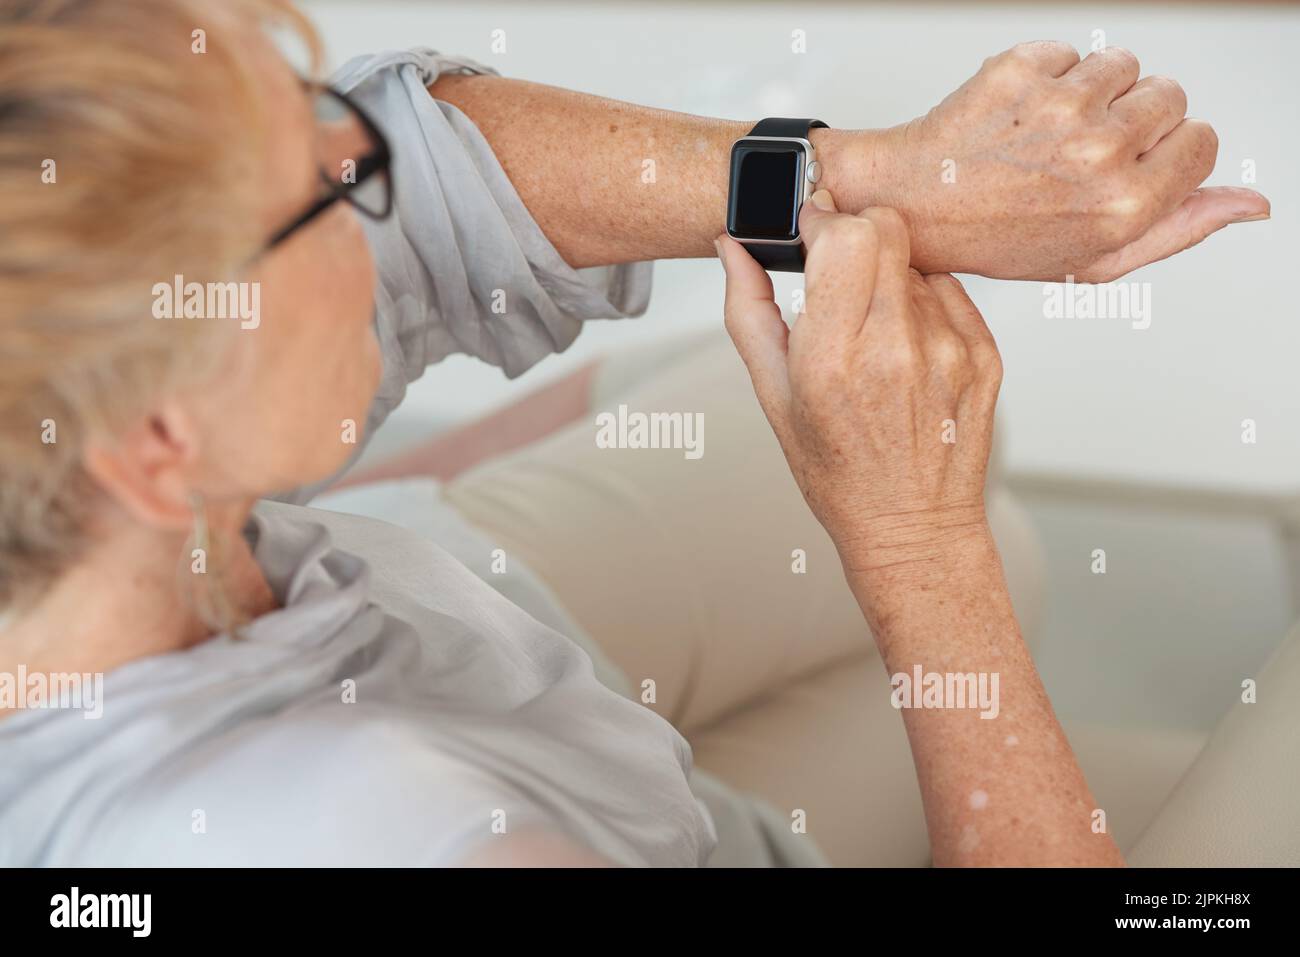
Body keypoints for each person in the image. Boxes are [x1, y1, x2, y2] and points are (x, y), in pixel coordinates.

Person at [0, 0, 1268, 866]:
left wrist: (881, 175)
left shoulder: (94, 447)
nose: (363, 151)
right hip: (534, 791)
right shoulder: (379, 826)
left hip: (567, 724)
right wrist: (920, 554)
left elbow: (435, 165)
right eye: (323, 194)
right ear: (162, 445)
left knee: (791, 431)